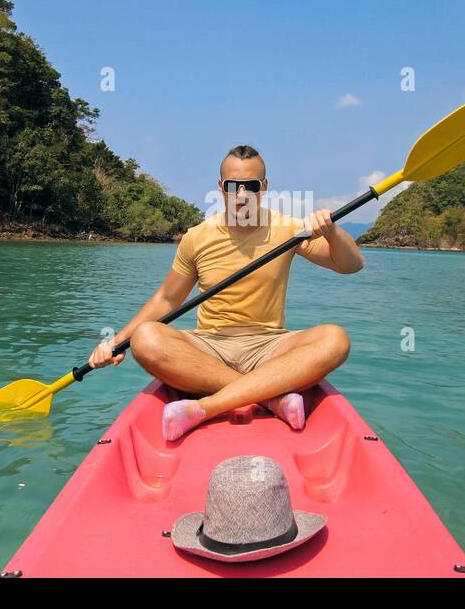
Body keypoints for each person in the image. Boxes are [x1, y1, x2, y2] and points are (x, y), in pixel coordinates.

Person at [87, 144, 364, 441]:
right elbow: (167, 299)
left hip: (268, 346)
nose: (242, 195)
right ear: (221, 188)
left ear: (265, 187)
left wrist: (332, 232)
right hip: (209, 348)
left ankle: (209, 405)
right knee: (145, 338)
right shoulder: (197, 237)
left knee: (335, 340)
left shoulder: (290, 229)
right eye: (234, 186)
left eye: (251, 186)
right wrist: (117, 342)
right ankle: (269, 398)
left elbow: (350, 265)